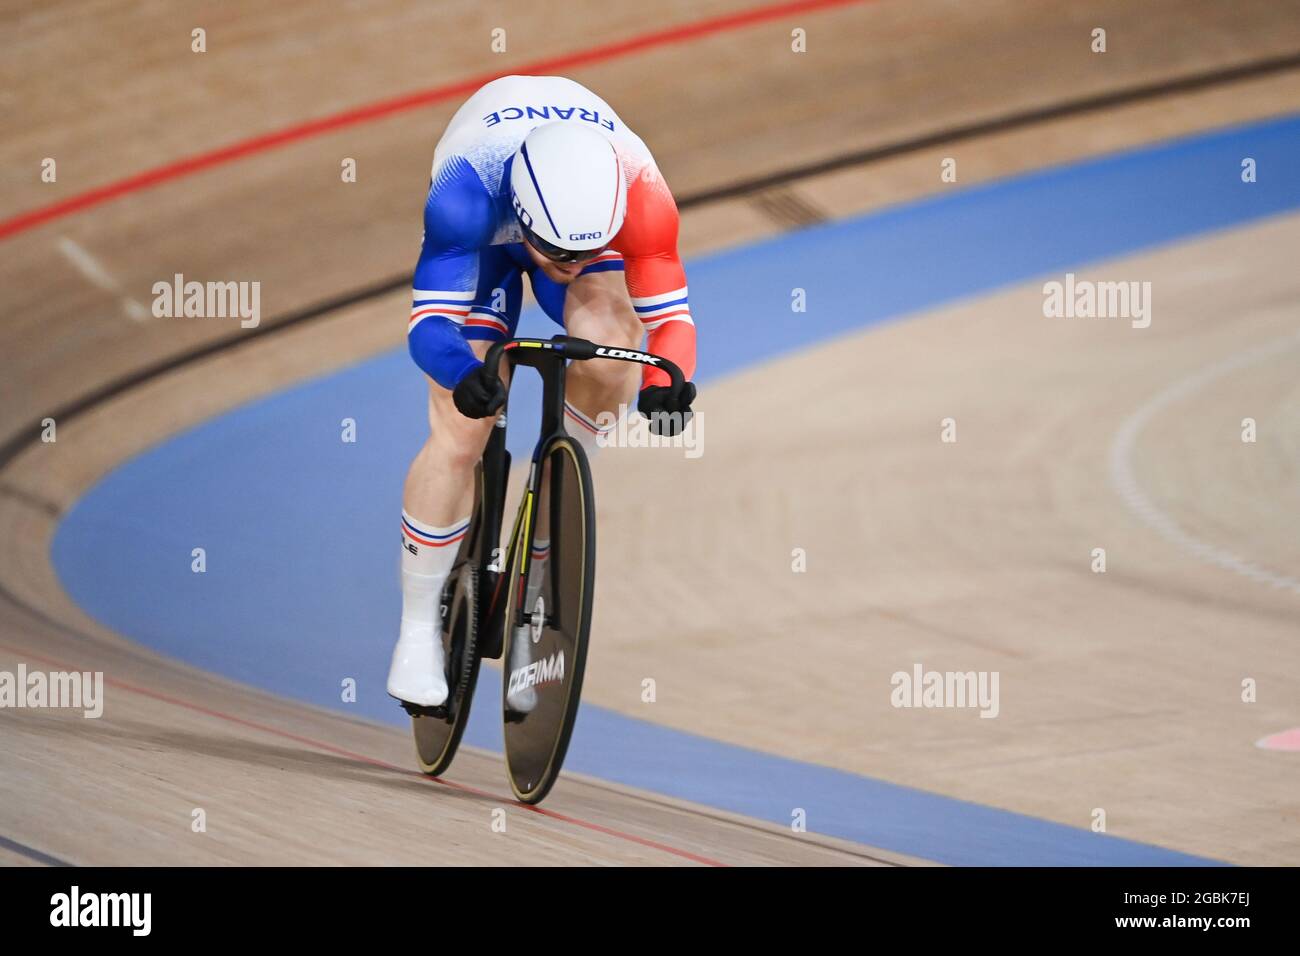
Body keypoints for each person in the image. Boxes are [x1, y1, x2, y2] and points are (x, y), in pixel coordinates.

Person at [388, 75, 698, 710]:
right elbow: (429, 327)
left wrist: (669, 379)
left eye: (588, 251)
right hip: (489, 243)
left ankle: (561, 486)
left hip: (572, 210)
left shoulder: (641, 198)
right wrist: (462, 376)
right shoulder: (464, 198)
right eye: (560, 253)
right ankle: (417, 628)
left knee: (612, 343)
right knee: (462, 426)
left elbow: (671, 320)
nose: (574, 265)